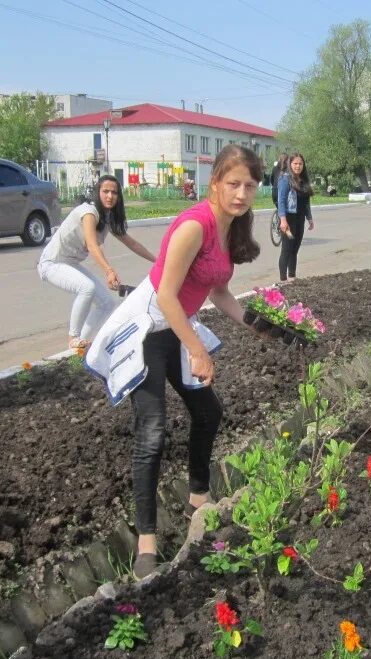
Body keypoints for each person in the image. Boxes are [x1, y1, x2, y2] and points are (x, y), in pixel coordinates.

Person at [86, 146, 264, 578]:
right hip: (148, 330)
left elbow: (218, 290)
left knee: (208, 411)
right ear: (216, 182)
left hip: (177, 327)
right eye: (233, 184)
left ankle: (198, 502)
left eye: (250, 186)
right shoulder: (194, 225)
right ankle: (146, 541)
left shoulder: (230, 228)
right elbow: (166, 294)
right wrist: (198, 350)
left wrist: (258, 323)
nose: (241, 194)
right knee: (153, 432)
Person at [37, 174, 155, 350]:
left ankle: (79, 346)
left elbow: (131, 243)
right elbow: (92, 246)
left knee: (107, 303)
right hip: (52, 263)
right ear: (97, 193)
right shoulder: (89, 212)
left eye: (114, 192)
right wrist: (108, 270)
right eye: (105, 191)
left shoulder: (107, 218)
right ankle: (73, 337)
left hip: (70, 263)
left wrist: (158, 261)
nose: (110, 196)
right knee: (86, 288)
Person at [277, 152, 314, 282]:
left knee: (295, 249)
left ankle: (292, 277)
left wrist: (309, 218)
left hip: (300, 219)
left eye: (300, 164)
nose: (298, 166)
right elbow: (281, 200)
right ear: (290, 164)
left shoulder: (304, 180)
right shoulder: (285, 179)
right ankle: (283, 280)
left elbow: (306, 201)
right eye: (295, 164)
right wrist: (283, 220)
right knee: (287, 249)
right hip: (288, 219)